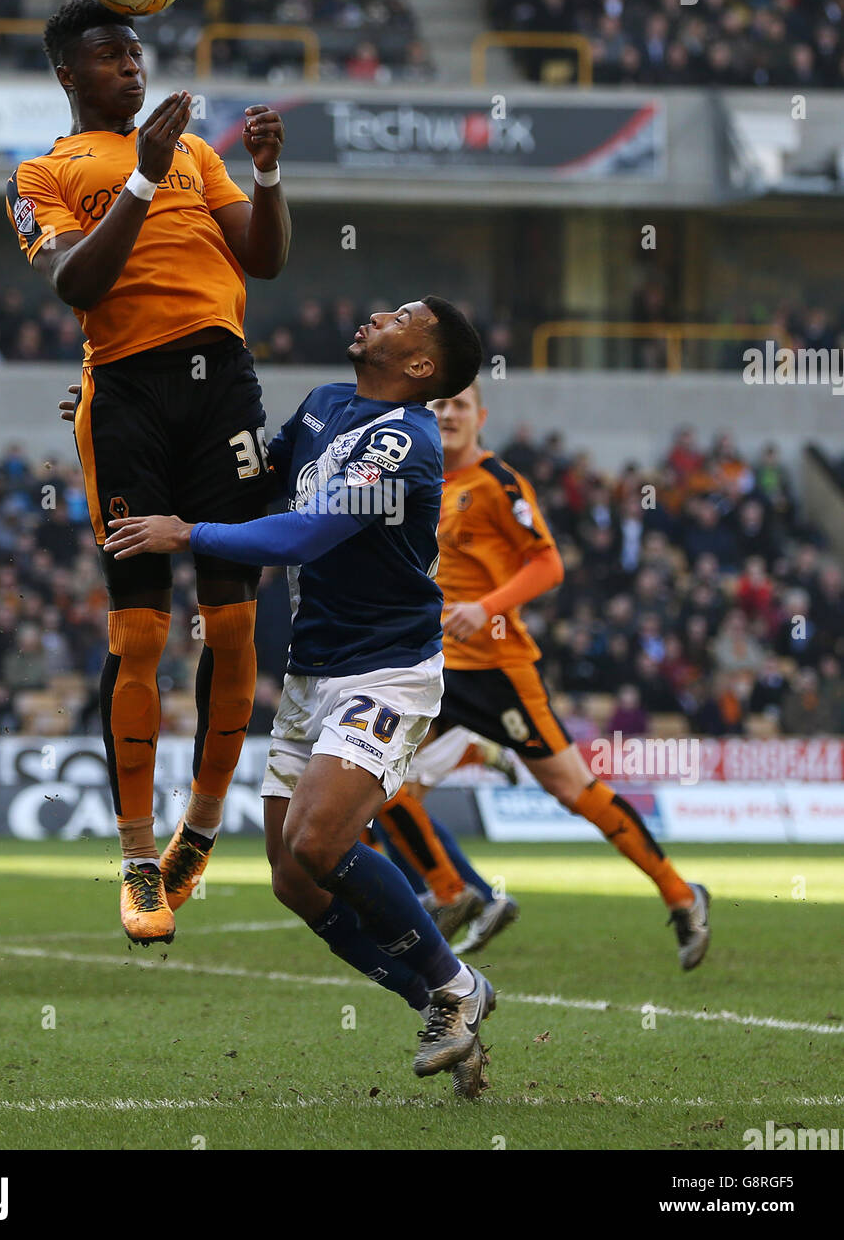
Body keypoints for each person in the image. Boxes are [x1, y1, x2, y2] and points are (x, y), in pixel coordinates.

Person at [97, 298, 497, 1095]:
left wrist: (189, 535)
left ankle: (459, 987)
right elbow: (246, 483)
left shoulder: (401, 441)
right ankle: (439, 1008)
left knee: (319, 844)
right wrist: (119, 431)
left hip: (384, 669)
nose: (379, 312)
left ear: (421, 366)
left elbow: (308, 532)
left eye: (403, 316)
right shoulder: (324, 404)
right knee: (294, 878)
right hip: (314, 670)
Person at [7, 0, 291, 946]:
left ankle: (198, 835)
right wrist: (141, 183)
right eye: (108, 55)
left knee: (237, 622)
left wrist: (269, 174)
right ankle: (135, 857)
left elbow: (265, 258)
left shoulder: (198, 154)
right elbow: (75, 285)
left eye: (136, 53)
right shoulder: (42, 173)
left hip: (223, 393)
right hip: (124, 397)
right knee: (138, 632)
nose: (131, 68)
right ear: (67, 74)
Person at [391, 382, 711, 969]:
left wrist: (484, 608)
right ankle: (450, 892)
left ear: (480, 416)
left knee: (571, 789)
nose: (448, 414)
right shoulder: (420, 485)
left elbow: (549, 564)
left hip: (497, 668)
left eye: (459, 405)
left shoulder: (498, 482)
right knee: (380, 782)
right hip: (433, 668)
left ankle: (680, 893)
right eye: (437, 406)